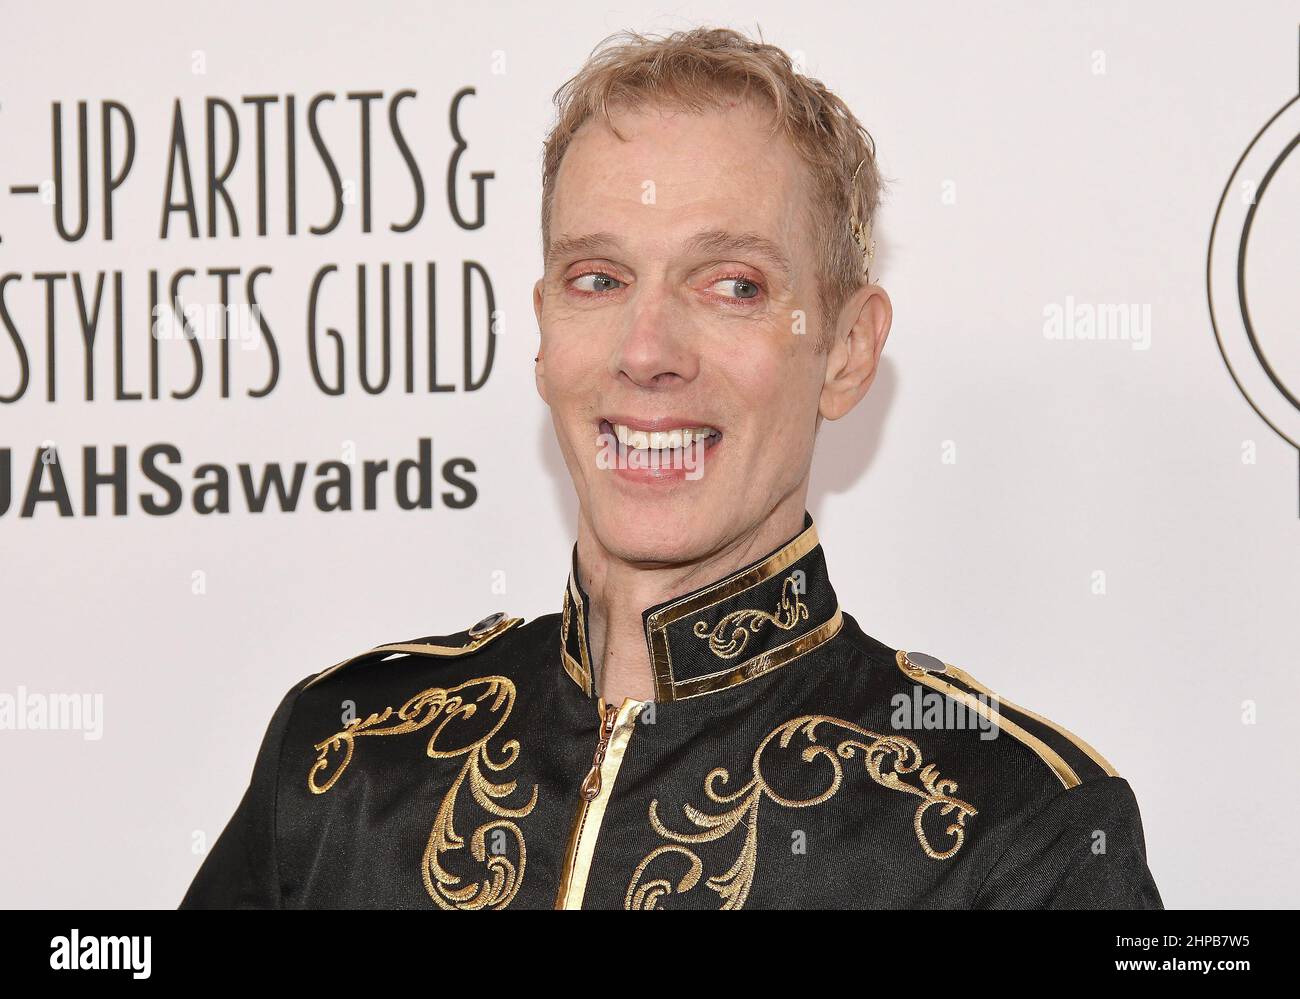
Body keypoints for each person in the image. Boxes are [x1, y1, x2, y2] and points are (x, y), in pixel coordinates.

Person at [180, 26, 1162, 910]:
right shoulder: (345, 756)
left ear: (846, 350)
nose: (646, 350)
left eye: (732, 285)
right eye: (598, 278)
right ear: (543, 332)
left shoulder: (1014, 829)